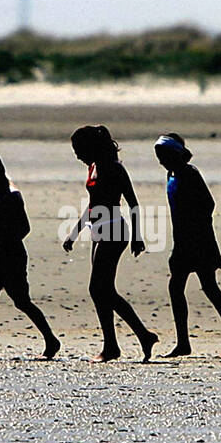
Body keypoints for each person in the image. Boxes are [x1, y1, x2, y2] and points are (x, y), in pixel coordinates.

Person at [62, 125, 158, 362]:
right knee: (101, 290)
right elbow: (93, 204)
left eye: (78, 150)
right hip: (98, 230)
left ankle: (121, 343)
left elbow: (133, 203)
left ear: (90, 147)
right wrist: (74, 232)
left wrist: (137, 236)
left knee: (99, 289)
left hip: (115, 230)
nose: (77, 155)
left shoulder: (114, 168)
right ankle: (133, 339)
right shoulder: (93, 167)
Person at [0, 149, 61, 361]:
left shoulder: (11, 196)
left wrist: (3, 247)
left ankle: (50, 340)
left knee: (19, 301)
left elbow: (24, 228)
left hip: (9, 256)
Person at [153, 133, 221, 357]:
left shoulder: (189, 173)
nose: (160, 160)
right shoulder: (171, 174)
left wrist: (195, 228)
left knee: (209, 287)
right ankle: (184, 342)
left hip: (198, 240)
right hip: (182, 241)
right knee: (177, 288)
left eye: (163, 155)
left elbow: (208, 204)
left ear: (174, 153)